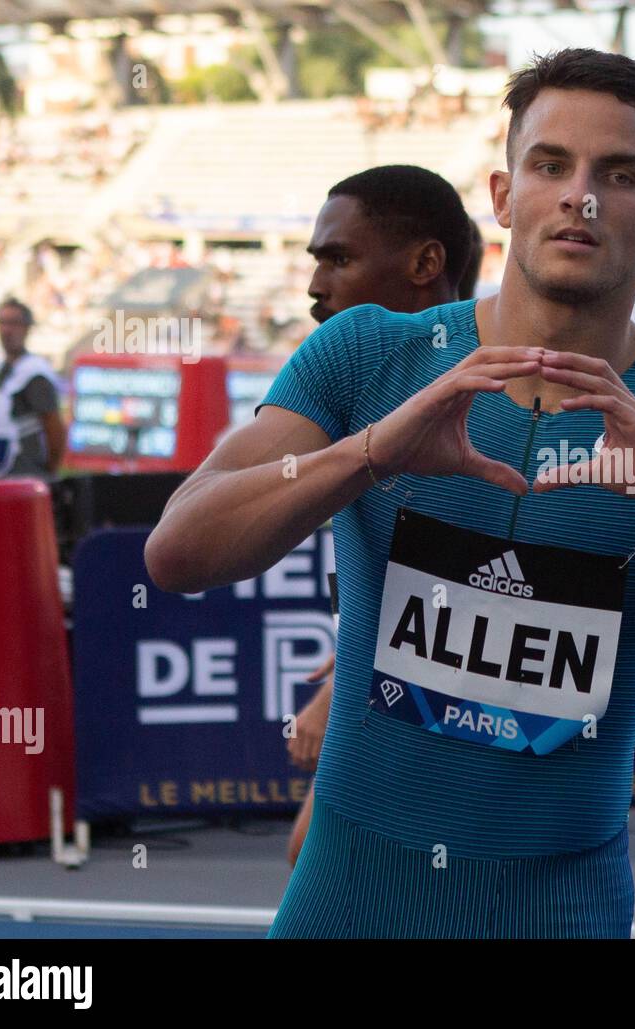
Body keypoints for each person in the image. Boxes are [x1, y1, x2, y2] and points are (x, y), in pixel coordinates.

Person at [145, 47, 635, 939]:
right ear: (502, 194)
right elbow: (178, 551)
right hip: (346, 902)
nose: (581, 197)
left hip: (557, 912)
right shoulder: (372, 356)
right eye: (551, 165)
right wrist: (372, 453)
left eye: (620, 174)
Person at [285, 165, 479, 867]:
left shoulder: (479, 409)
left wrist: (342, 692)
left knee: (313, 850)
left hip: (464, 765)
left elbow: (473, 603)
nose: (315, 287)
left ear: (427, 264)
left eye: (338, 259)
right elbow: (181, 545)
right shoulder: (352, 384)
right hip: (396, 715)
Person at [0, 298, 65, 482]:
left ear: (27, 328)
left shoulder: (33, 374)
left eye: (14, 323)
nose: (7, 330)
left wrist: (47, 471)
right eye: (2, 322)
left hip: (24, 478)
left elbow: (54, 428)